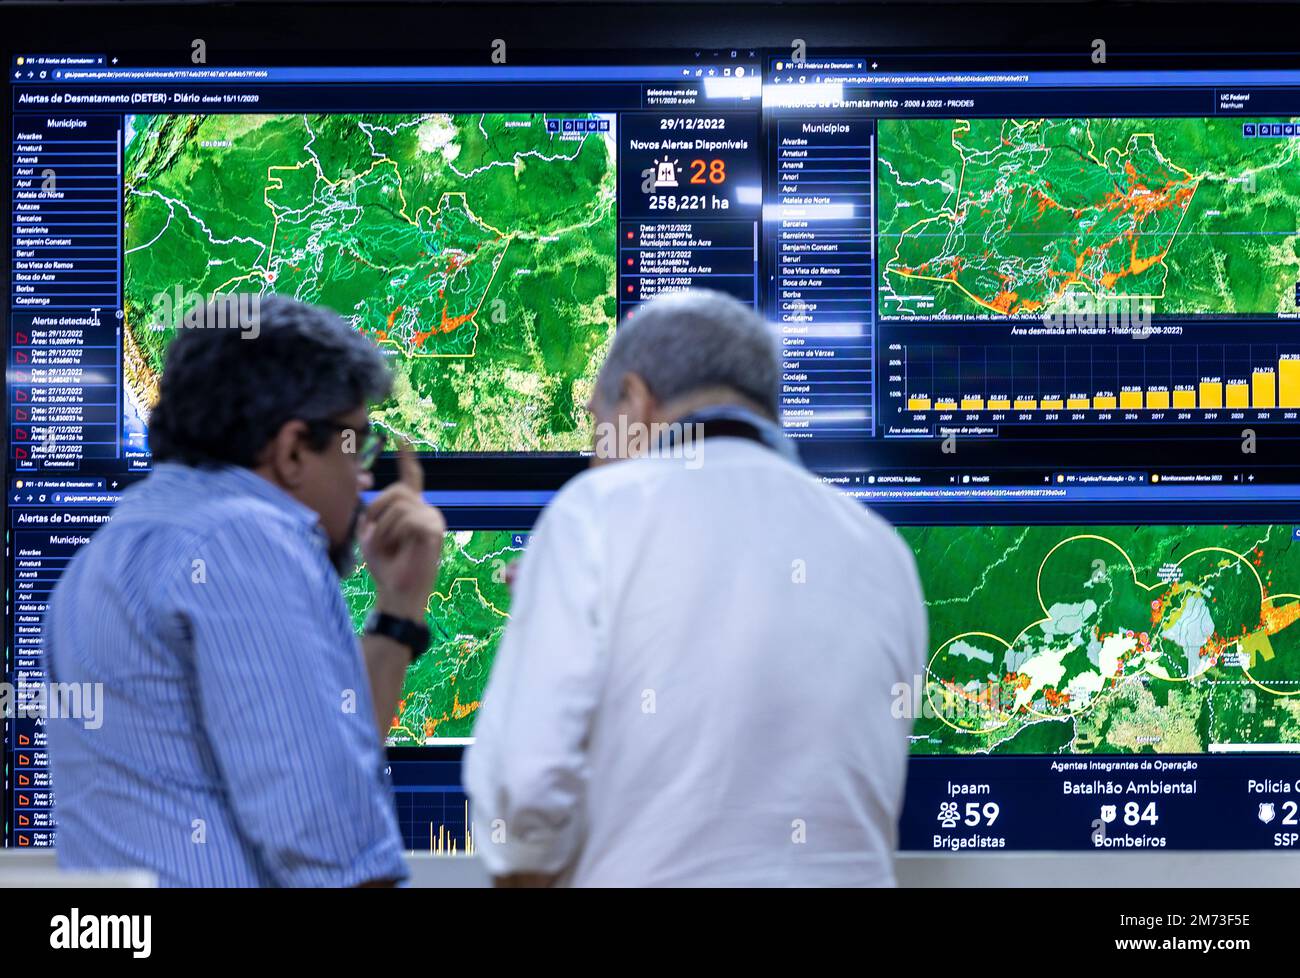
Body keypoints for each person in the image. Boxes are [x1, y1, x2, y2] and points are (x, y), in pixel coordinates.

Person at [464, 289, 928, 887]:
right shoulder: (881, 549)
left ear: (634, 399)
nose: (594, 460)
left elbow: (524, 797)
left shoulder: (596, 514)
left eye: (597, 430)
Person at [45, 296, 446, 887]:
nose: (364, 477)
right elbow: (337, 852)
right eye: (354, 444)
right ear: (289, 451)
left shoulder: (115, 547)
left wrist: (397, 610)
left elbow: (323, 754)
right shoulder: (244, 539)